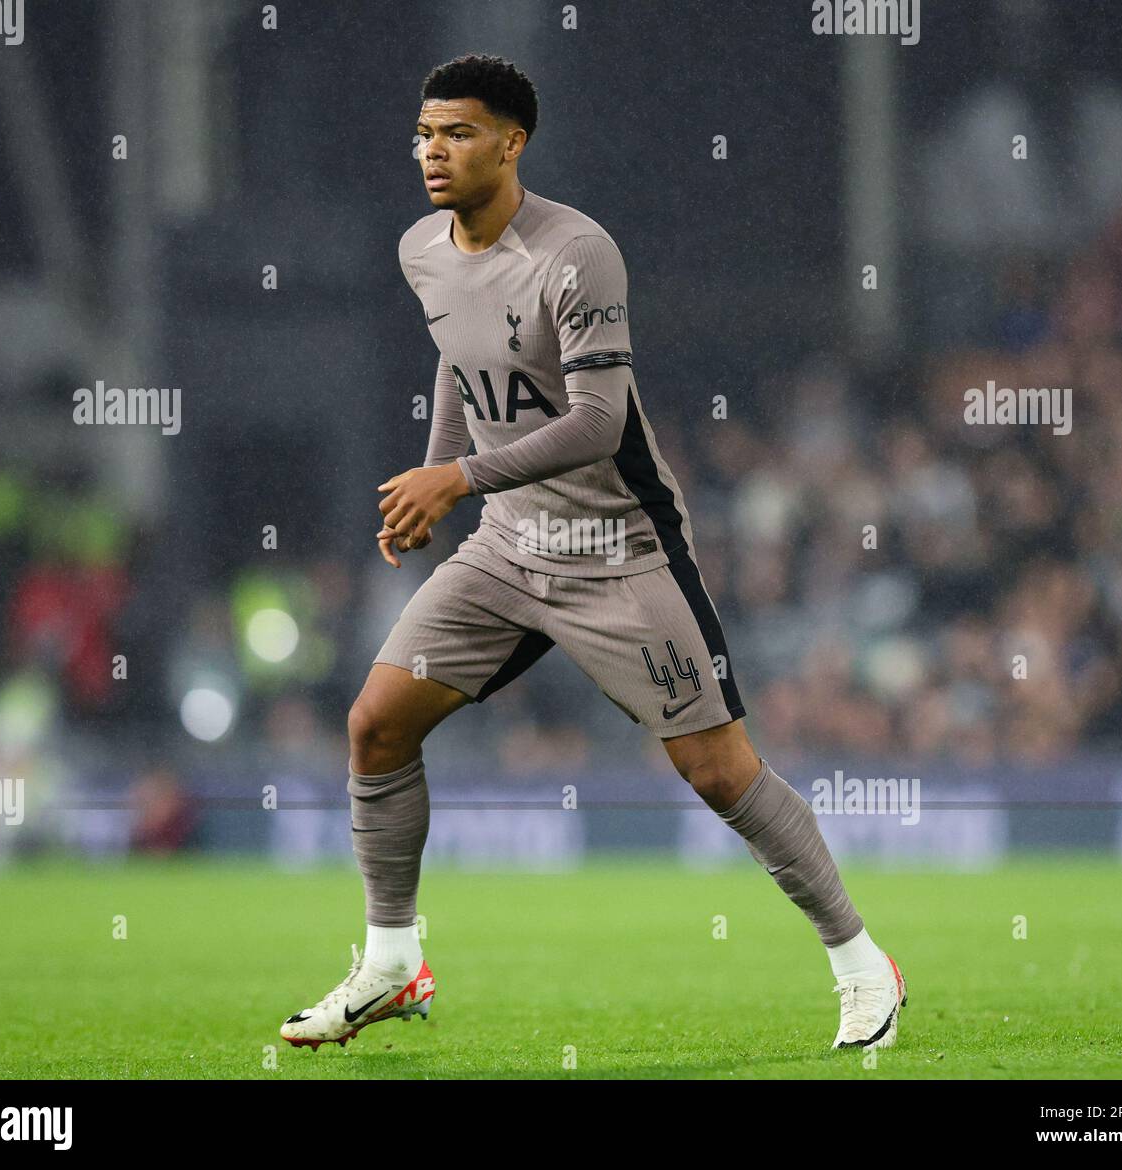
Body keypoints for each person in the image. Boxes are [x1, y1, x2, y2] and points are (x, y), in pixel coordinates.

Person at [281, 53, 906, 1054]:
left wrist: (456, 479)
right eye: (421, 134)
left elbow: (597, 417)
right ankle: (394, 962)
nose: (430, 152)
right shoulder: (421, 249)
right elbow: (459, 355)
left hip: (617, 547)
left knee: (715, 771)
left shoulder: (577, 253)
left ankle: (861, 962)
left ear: (510, 142)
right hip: (504, 545)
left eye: (455, 133)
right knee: (376, 726)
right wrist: (439, 475)